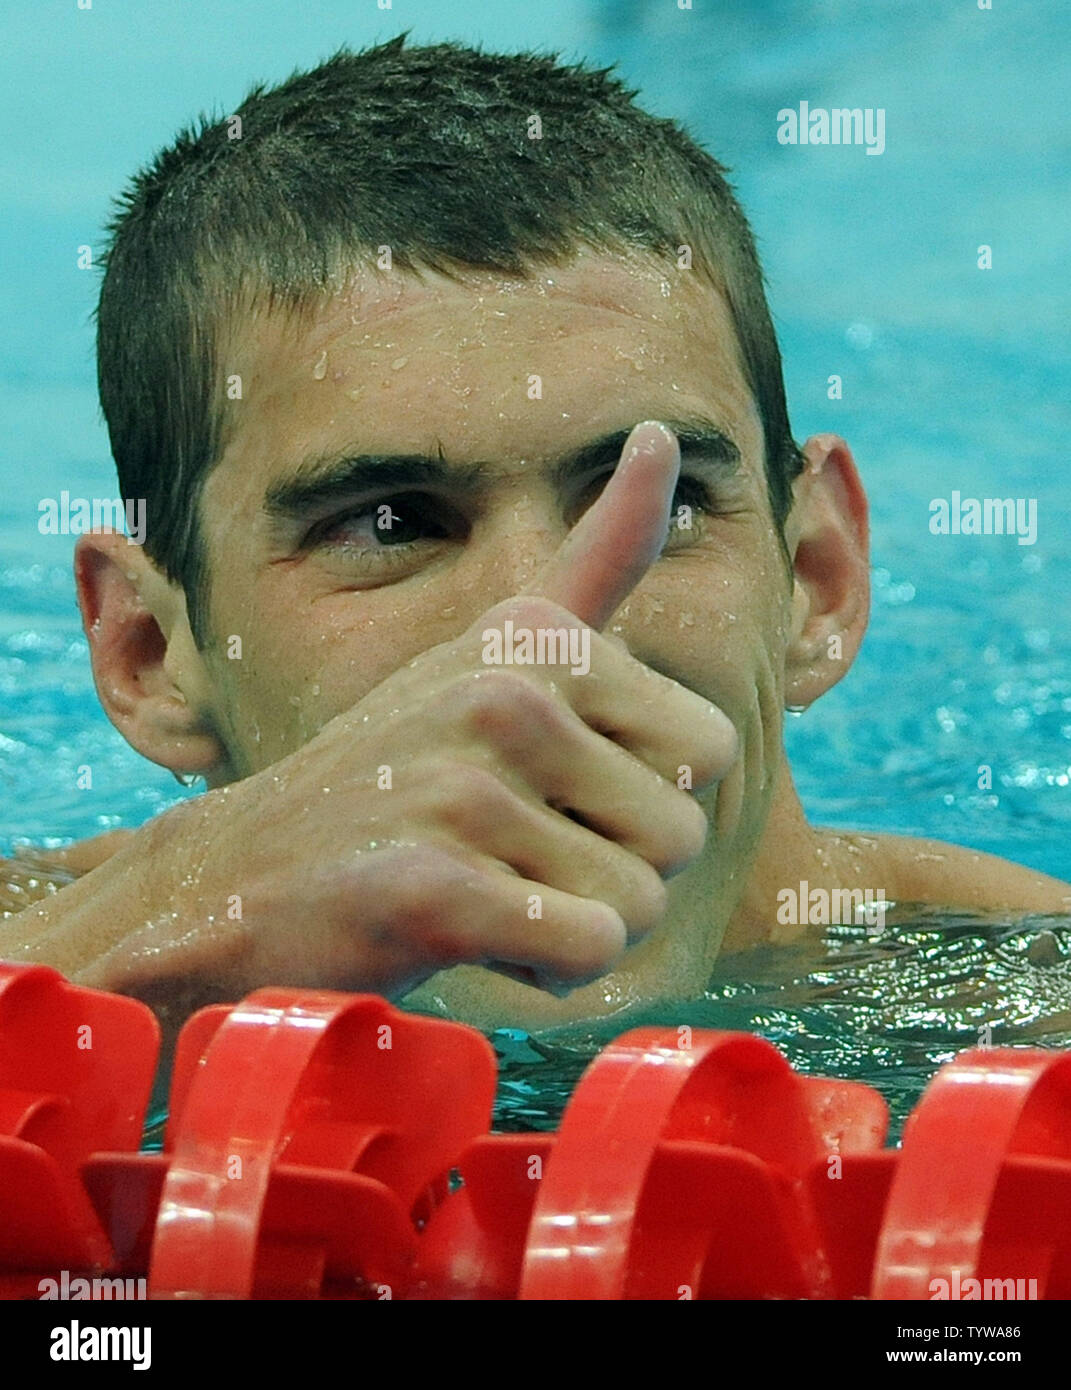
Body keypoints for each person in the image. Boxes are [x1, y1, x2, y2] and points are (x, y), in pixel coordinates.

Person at [2, 35, 1067, 1061]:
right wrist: (163, 961)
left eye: (660, 504)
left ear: (818, 580)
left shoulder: (1018, 1002)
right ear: (148, 653)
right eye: (391, 523)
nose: (539, 646)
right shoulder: (47, 944)